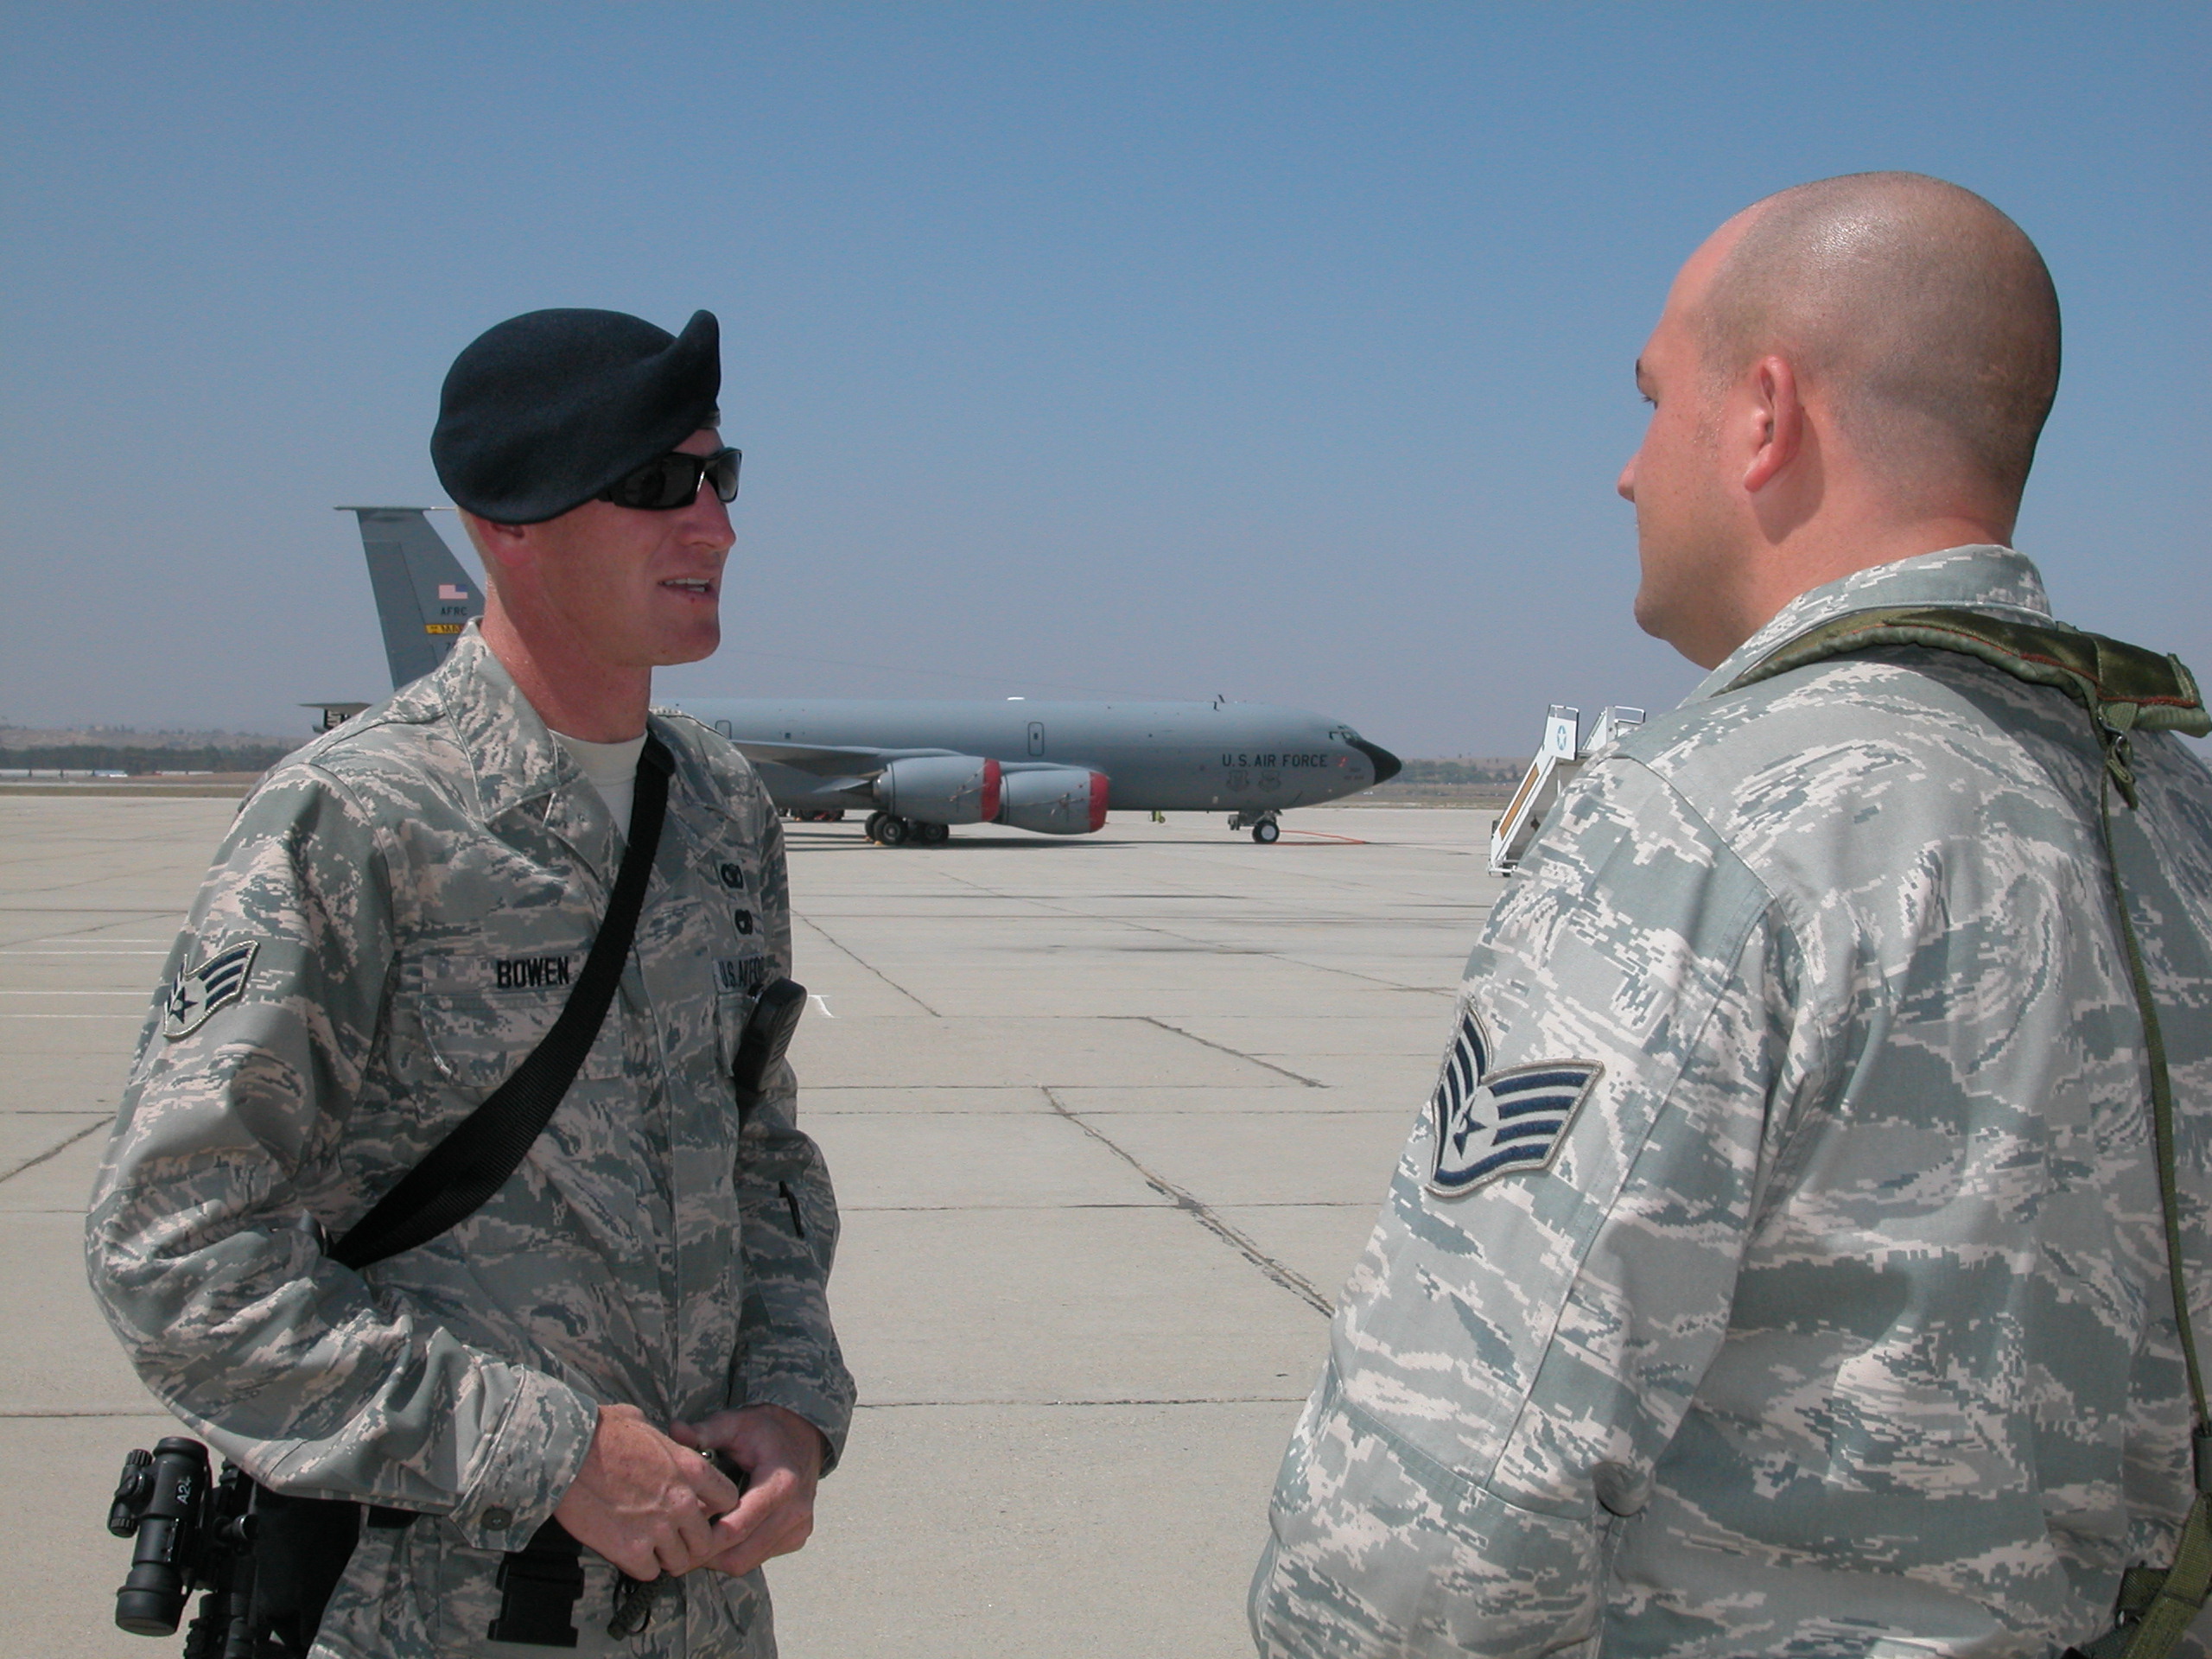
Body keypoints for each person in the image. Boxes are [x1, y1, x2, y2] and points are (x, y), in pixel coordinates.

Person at [1250, 173, 2212, 1654]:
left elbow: (1436, 1521)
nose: (1627, 473)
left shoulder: (1708, 820)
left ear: (1765, 417)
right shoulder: (2177, 816)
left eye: (1650, 402)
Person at [86, 308, 854, 1657]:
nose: (716, 529)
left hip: (701, 1612)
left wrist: (792, 1403)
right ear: (510, 519)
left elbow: (760, 1152)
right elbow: (175, 1256)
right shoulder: (357, 819)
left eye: (720, 479)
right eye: (659, 486)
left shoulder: (718, 809)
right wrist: (549, 1449)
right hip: (427, 1613)